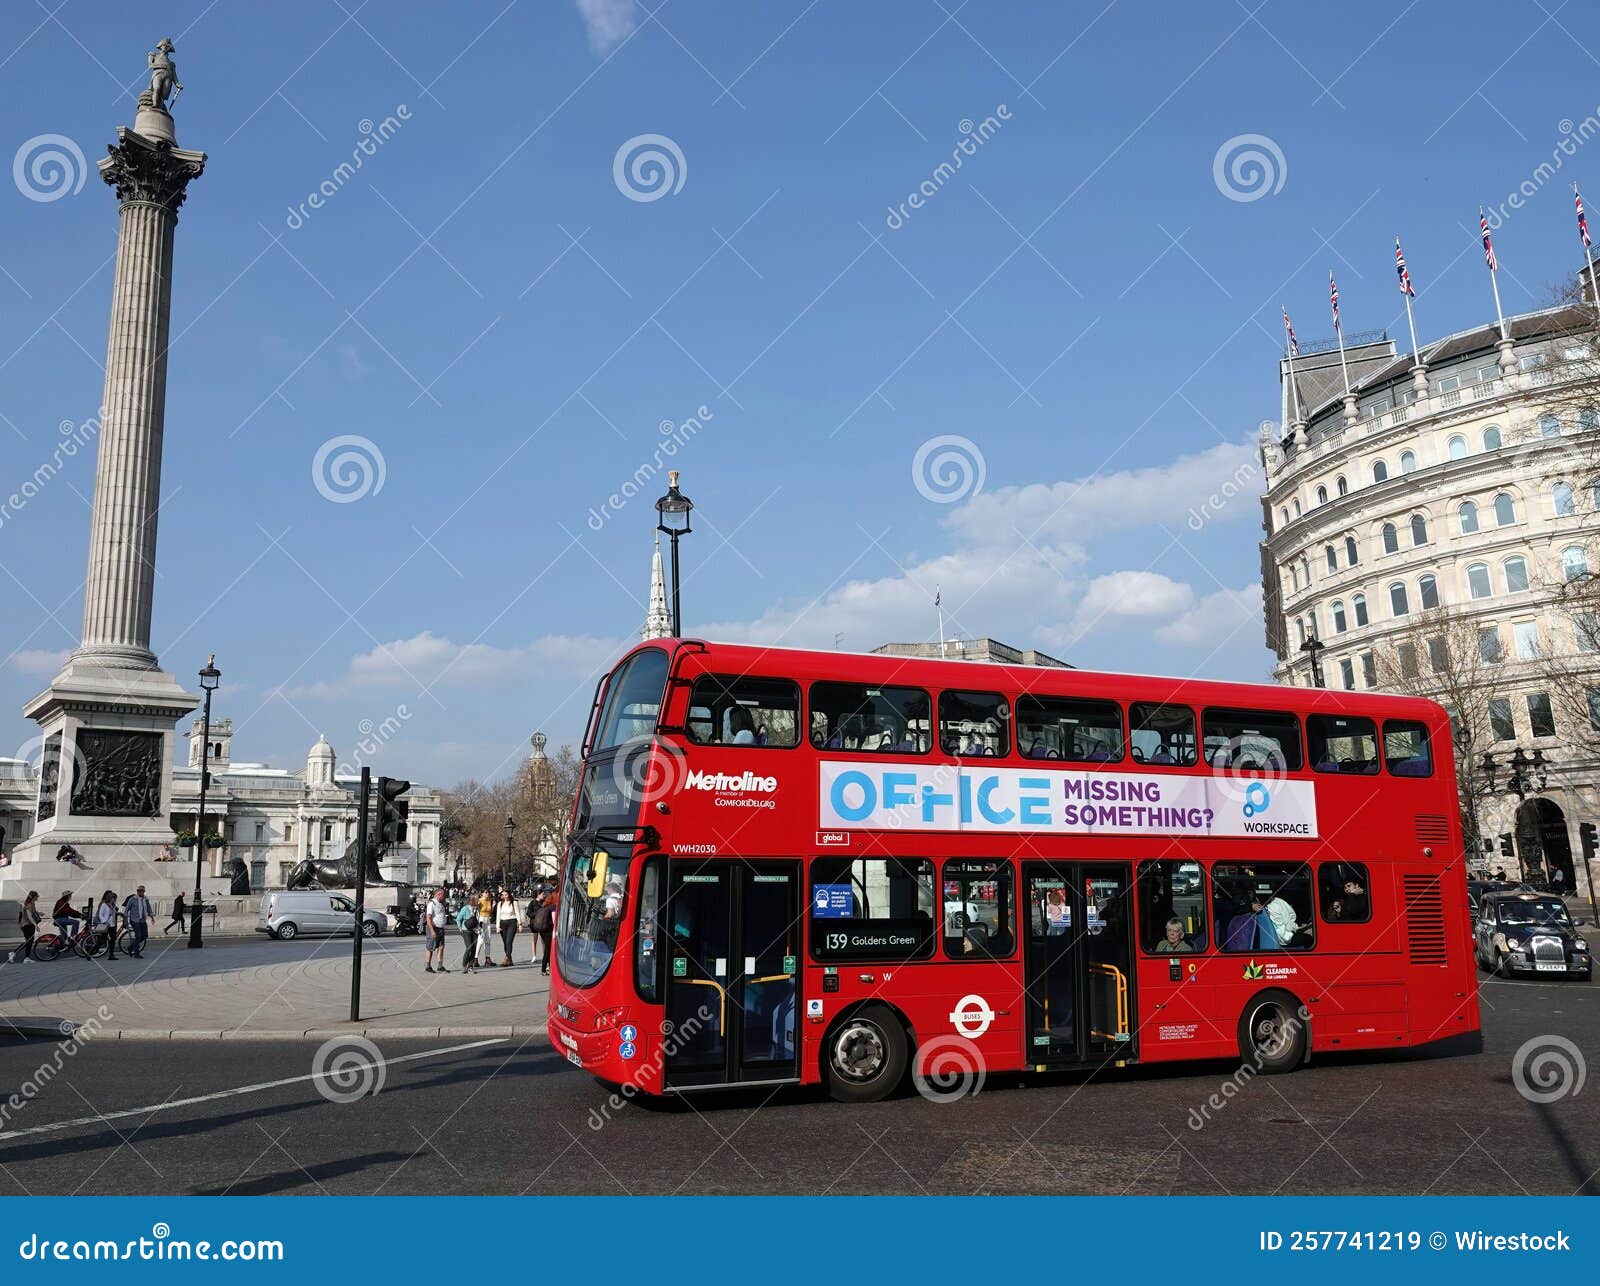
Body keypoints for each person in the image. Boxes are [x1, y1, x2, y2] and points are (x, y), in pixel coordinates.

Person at [530, 886, 557, 973]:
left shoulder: (544, 905)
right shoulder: (553, 907)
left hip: (542, 929)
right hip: (549, 930)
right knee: (548, 950)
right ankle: (544, 969)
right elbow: (554, 920)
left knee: (547, 949)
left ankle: (545, 968)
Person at [122, 885, 153, 958]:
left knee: (145, 935)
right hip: (134, 920)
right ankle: (136, 953)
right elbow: (126, 910)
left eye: (142, 890)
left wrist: (152, 917)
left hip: (143, 920)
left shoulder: (146, 899)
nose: (140, 892)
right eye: (139, 890)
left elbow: (149, 908)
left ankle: (131, 947)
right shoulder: (132, 899)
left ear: (144, 891)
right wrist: (125, 919)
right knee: (138, 936)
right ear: (137, 891)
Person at [423, 888, 449, 973]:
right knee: (430, 947)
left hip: (440, 928)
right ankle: (428, 966)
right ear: (438, 894)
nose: (444, 896)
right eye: (443, 895)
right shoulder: (432, 903)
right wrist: (432, 930)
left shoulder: (440, 903)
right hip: (433, 928)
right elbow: (428, 918)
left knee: (441, 947)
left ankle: (440, 966)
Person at [14, 891, 41, 963]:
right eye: (37, 896)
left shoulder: (32, 903)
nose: (38, 897)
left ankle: (25, 957)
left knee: (29, 941)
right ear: (33, 897)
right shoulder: (29, 904)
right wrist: (36, 925)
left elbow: (32, 913)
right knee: (29, 941)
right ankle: (16, 954)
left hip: (27, 925)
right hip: (27, 925)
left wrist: (39, 913)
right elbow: (29, 916)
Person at [495, 887, 520, 966]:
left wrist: (520, 924)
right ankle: (510, 960)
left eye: (506, 894)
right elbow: (498, 915)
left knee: (509, 941)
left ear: (509, 894)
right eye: (503, 895)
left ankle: (506, 958)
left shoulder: (514, 903)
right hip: (503, 923)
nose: (504, 896)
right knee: (505, 942)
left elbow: (517, 914)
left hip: (512, 923)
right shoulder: (500, 903)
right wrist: (497, 926)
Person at [455, 897, 479, 973]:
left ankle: (470, 966)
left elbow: (478, 920)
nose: (477, 902)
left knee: (474, 948)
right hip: (466, 930)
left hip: (475, 930)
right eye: (476, 900)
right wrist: (460, 928)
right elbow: (458, 919)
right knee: (469, 947)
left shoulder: (477, 909)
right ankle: (464, 965)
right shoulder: (465, 908)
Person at [96, 890, 120, 959]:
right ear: (110, 898)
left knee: (113, 939)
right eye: (113, 898)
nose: (114, 900)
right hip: (106, 925)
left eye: (115, 898)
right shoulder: (104, 905)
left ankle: (111, 955)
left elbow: (113, 914)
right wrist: (104, 921)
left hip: (112, 925)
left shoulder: (113, 906)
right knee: (103, 939)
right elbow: (100, 914)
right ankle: (92, 951)